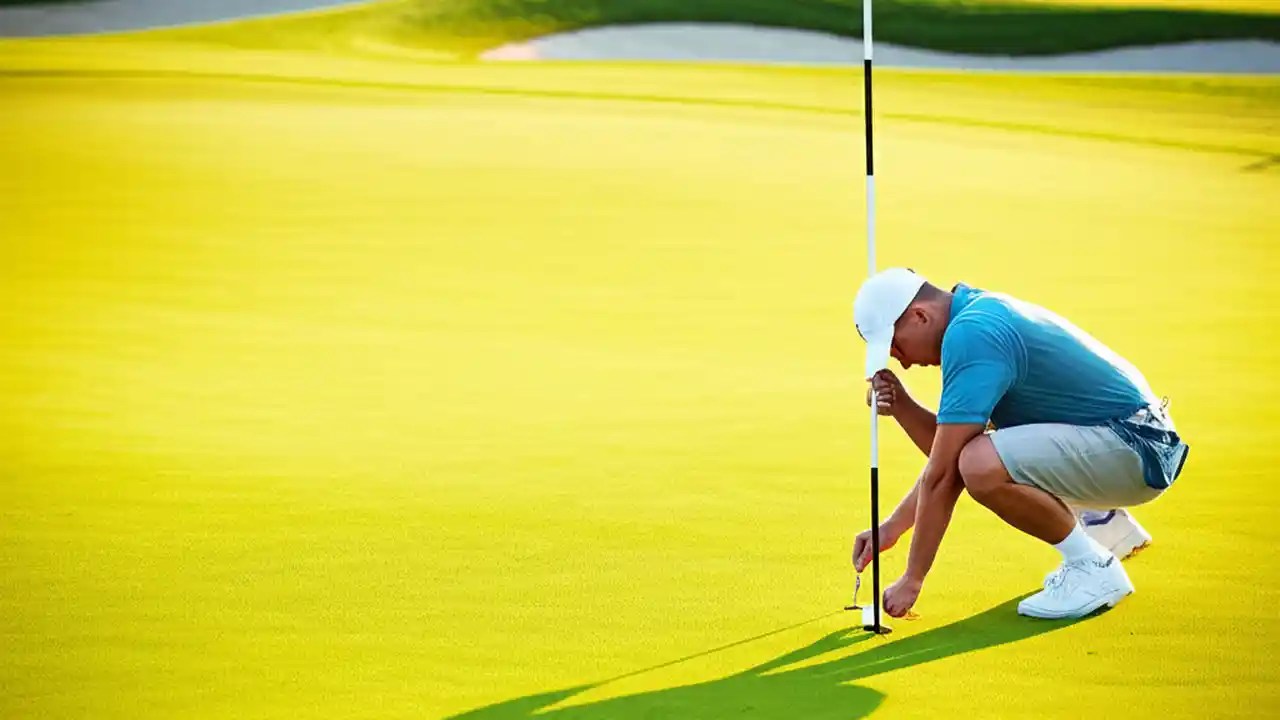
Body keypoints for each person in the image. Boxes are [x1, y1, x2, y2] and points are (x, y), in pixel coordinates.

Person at [849, 268, 1189, 619]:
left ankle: (1092, 567)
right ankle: (1103, 521)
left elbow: (949, 470)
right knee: (977, 457)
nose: (901, 362)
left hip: (1135, 448)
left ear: (920, 315)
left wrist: (913, 578)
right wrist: (892, 526)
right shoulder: (976, 315)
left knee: (979, 463)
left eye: (896, 346)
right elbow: (947, 455)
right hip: (1130, 441)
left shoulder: (972, 336)